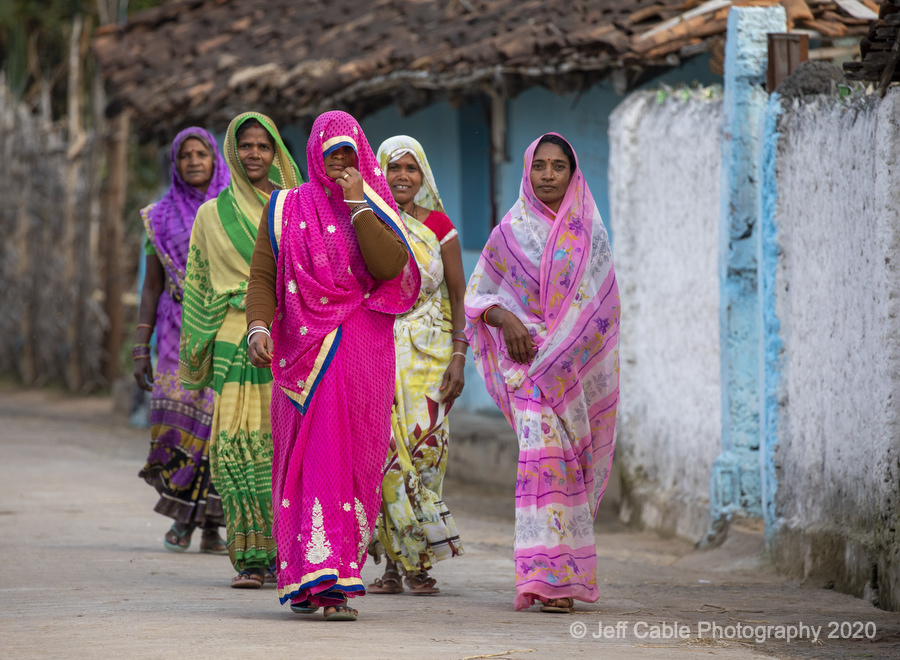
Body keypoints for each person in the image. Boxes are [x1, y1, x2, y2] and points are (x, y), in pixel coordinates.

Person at [245, 110, 420, 621]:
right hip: (302, 353)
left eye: (349, 151)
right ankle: (310, 579)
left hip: (362, 353)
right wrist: (258, 327)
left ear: (361, 153)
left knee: (352, 461)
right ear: (315, 155)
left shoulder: (377, 204)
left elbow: (389, 268)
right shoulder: (284, 207)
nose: (340, 162)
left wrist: (357, 203)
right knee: (307, 459)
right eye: (331, 153)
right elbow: (262, 276)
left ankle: (336, 579)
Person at [464, 133, 620, 614]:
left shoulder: (590, 232)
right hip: (529, 371)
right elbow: (477, 296)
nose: (549, 175)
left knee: (571, 470)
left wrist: (566, 346)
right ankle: (545, 576)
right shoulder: (509, 231)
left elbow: (605, 308)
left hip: (574, 373)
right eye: (541, 166)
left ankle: (567, 575)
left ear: (573, 174)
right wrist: (505, 318)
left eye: (559, 166)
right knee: (542, 466)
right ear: (527, 172)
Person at [179, 111, 302, 588]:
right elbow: (197, 285)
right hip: (233, 342)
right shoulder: (210, 215)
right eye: (245, 145)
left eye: (263, 146)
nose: (254, 154)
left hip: (287, 341)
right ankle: (250, 559)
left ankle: (286, 556)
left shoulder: (293, 208)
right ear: (232, 151)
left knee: (283, 448)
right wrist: (197, 351)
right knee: (232, 449)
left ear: (276, 153)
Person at [365, 136, 466, 595]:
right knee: (383, 456)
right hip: (379, 348)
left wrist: (460, 355)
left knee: (425, 456)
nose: (402, 176)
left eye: (412, 168)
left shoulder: (439, 226)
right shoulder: (367, 224)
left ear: (423, 176)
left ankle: (420, 562)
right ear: (379, 172)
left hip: (430, 356)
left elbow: (459, 296)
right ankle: (391, 565)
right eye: (394, 167)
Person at [135, 127, 230, 555]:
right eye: (185, 156)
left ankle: (209, 526)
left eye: (202, 154)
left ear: (215, 160)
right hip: (177, 330)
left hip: (226, 327)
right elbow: (151, 286)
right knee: (181, 425)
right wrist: (141, 345)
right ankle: (182, 516)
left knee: (220, 428)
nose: (194, 161)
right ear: (175, 164)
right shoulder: (158, 217)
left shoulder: (233, 209)